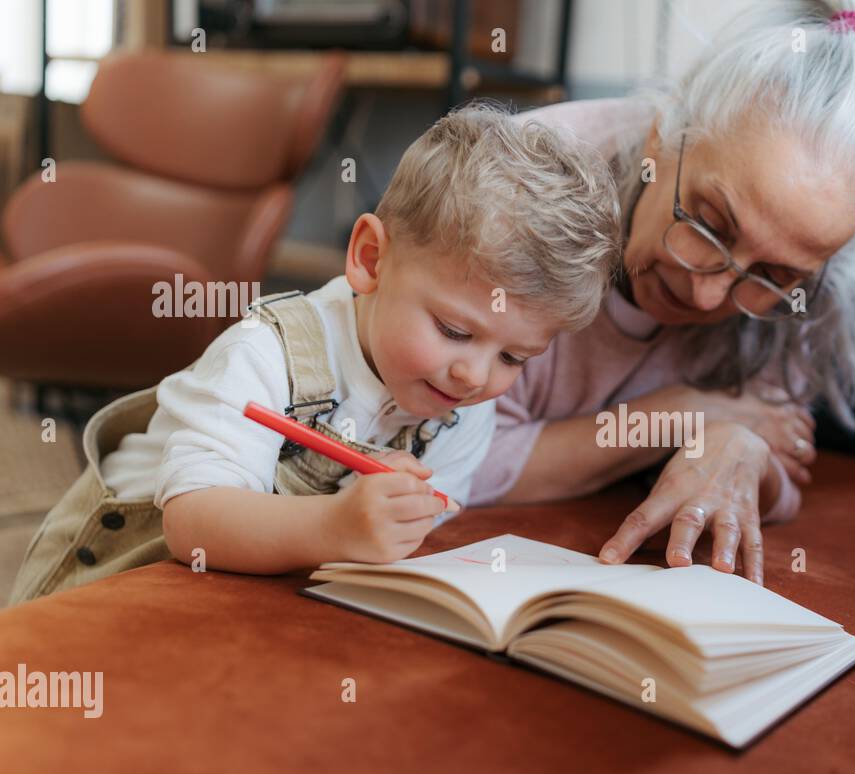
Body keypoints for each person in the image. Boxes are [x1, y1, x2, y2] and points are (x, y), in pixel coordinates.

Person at [8, 104, 622, 605]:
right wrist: (334, 528)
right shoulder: (265, 352)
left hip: (244, 601)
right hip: (111, 580)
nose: (475, 375)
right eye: (454, 331)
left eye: (515, 358)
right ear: (370, 260)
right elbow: (193, 523)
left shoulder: (463, 407)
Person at [468, 1, 855, 587]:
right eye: (710, 222)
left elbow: (779, 457)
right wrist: (687, 412)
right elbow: (452, 457)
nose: (710, 296)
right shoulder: (519, 186)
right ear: (665, 136)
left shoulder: (809, 294)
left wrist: (737, 445)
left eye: (774, 276)